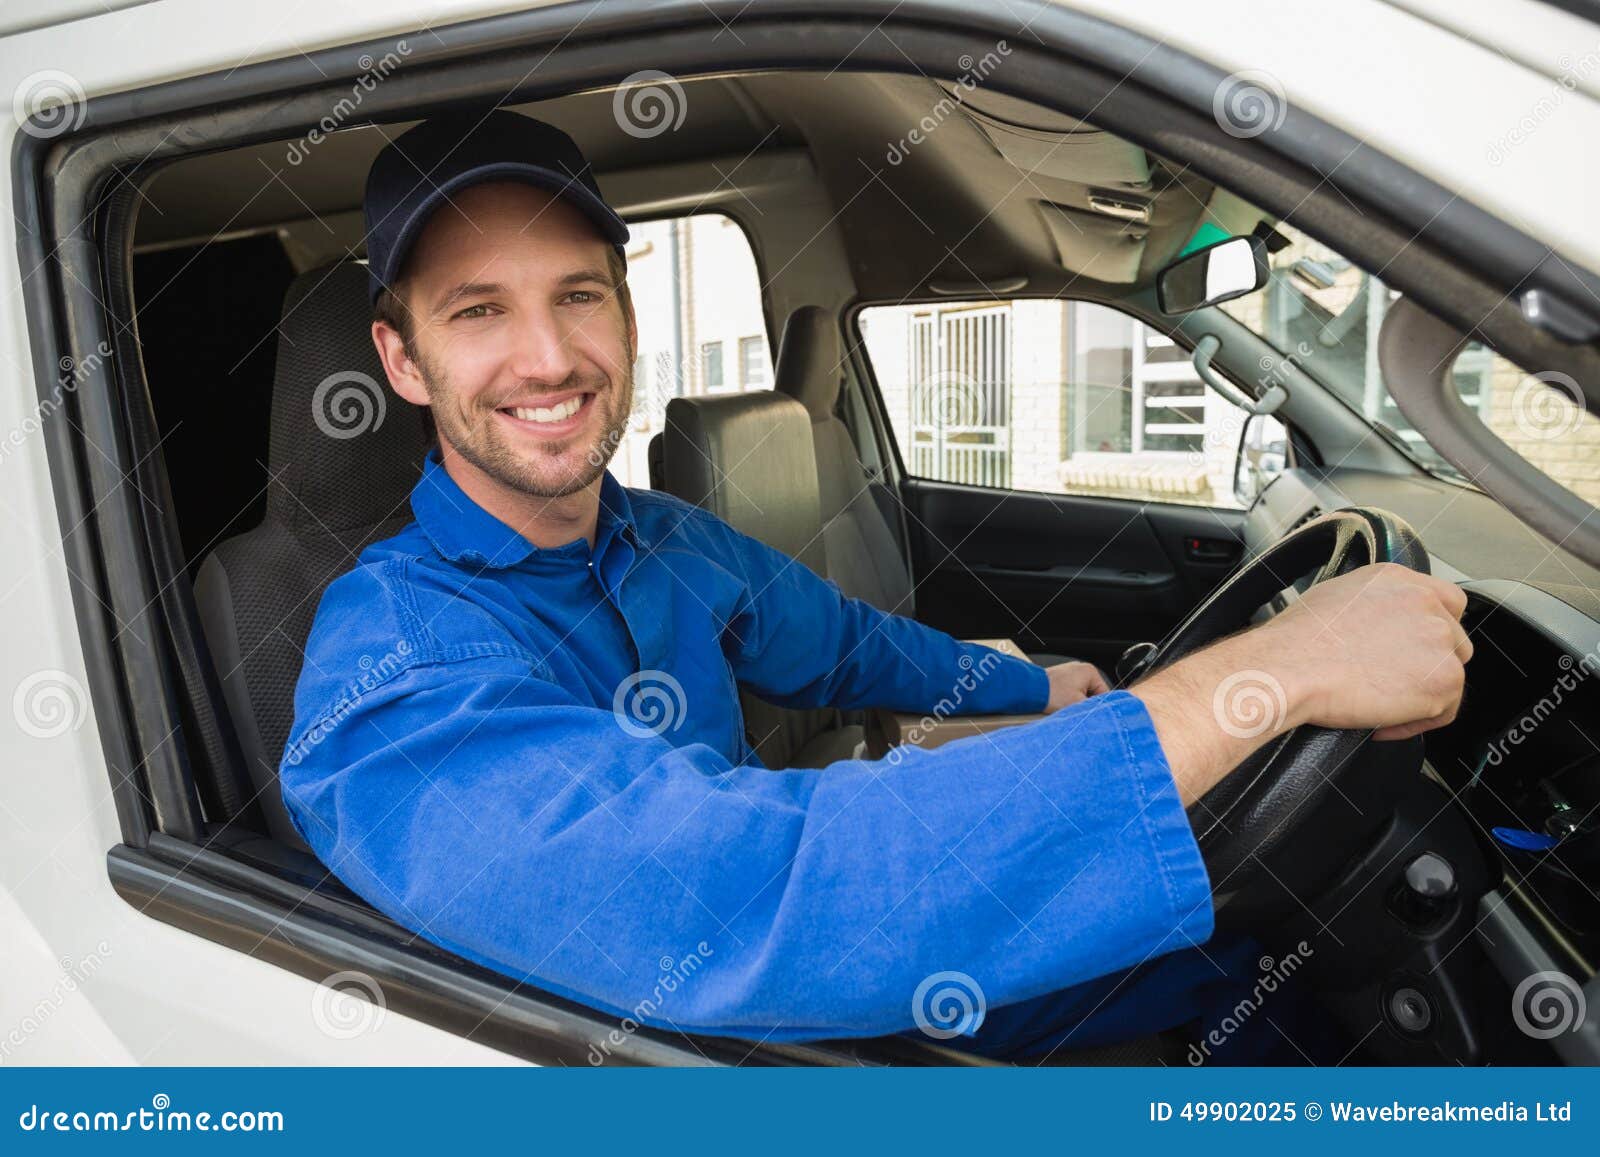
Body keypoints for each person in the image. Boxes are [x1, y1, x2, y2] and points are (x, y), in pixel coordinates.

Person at [279, 111, 1471, 1055]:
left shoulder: (660, 538)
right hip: (734, 1047)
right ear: (402, 359)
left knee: (1278, 926)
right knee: (1278, 942)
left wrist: (1033, 688)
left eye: (577, 294)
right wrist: (1271, 672)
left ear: (625, 315)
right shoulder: (389, 669)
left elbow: (850, 646)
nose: (548, 357)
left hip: (822, 984)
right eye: (478, 311)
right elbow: (749, 895)